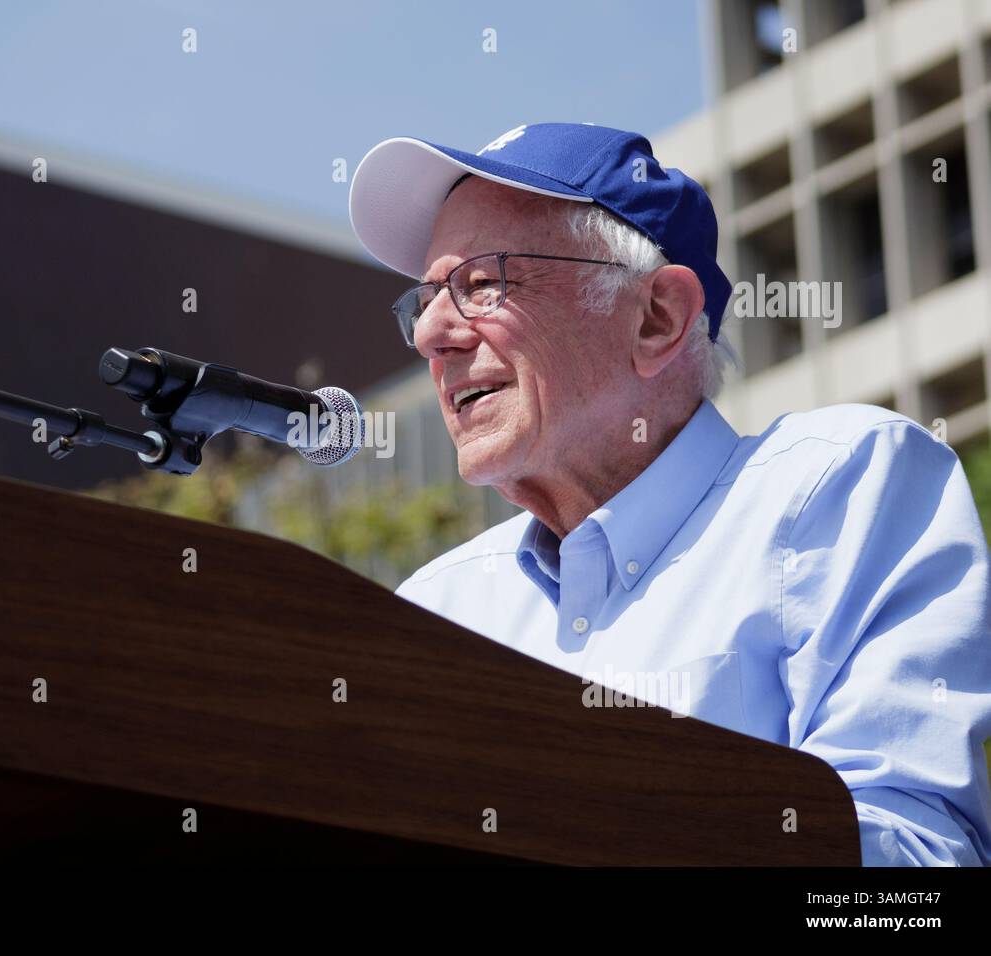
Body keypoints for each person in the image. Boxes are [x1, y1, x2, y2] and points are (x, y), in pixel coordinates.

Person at [347, 122, 991, 866]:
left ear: (657, 319)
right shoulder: (436, 608)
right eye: (424, 298)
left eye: (482, 283)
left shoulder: (839, 486)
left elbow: (916, 879)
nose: (431, 332)